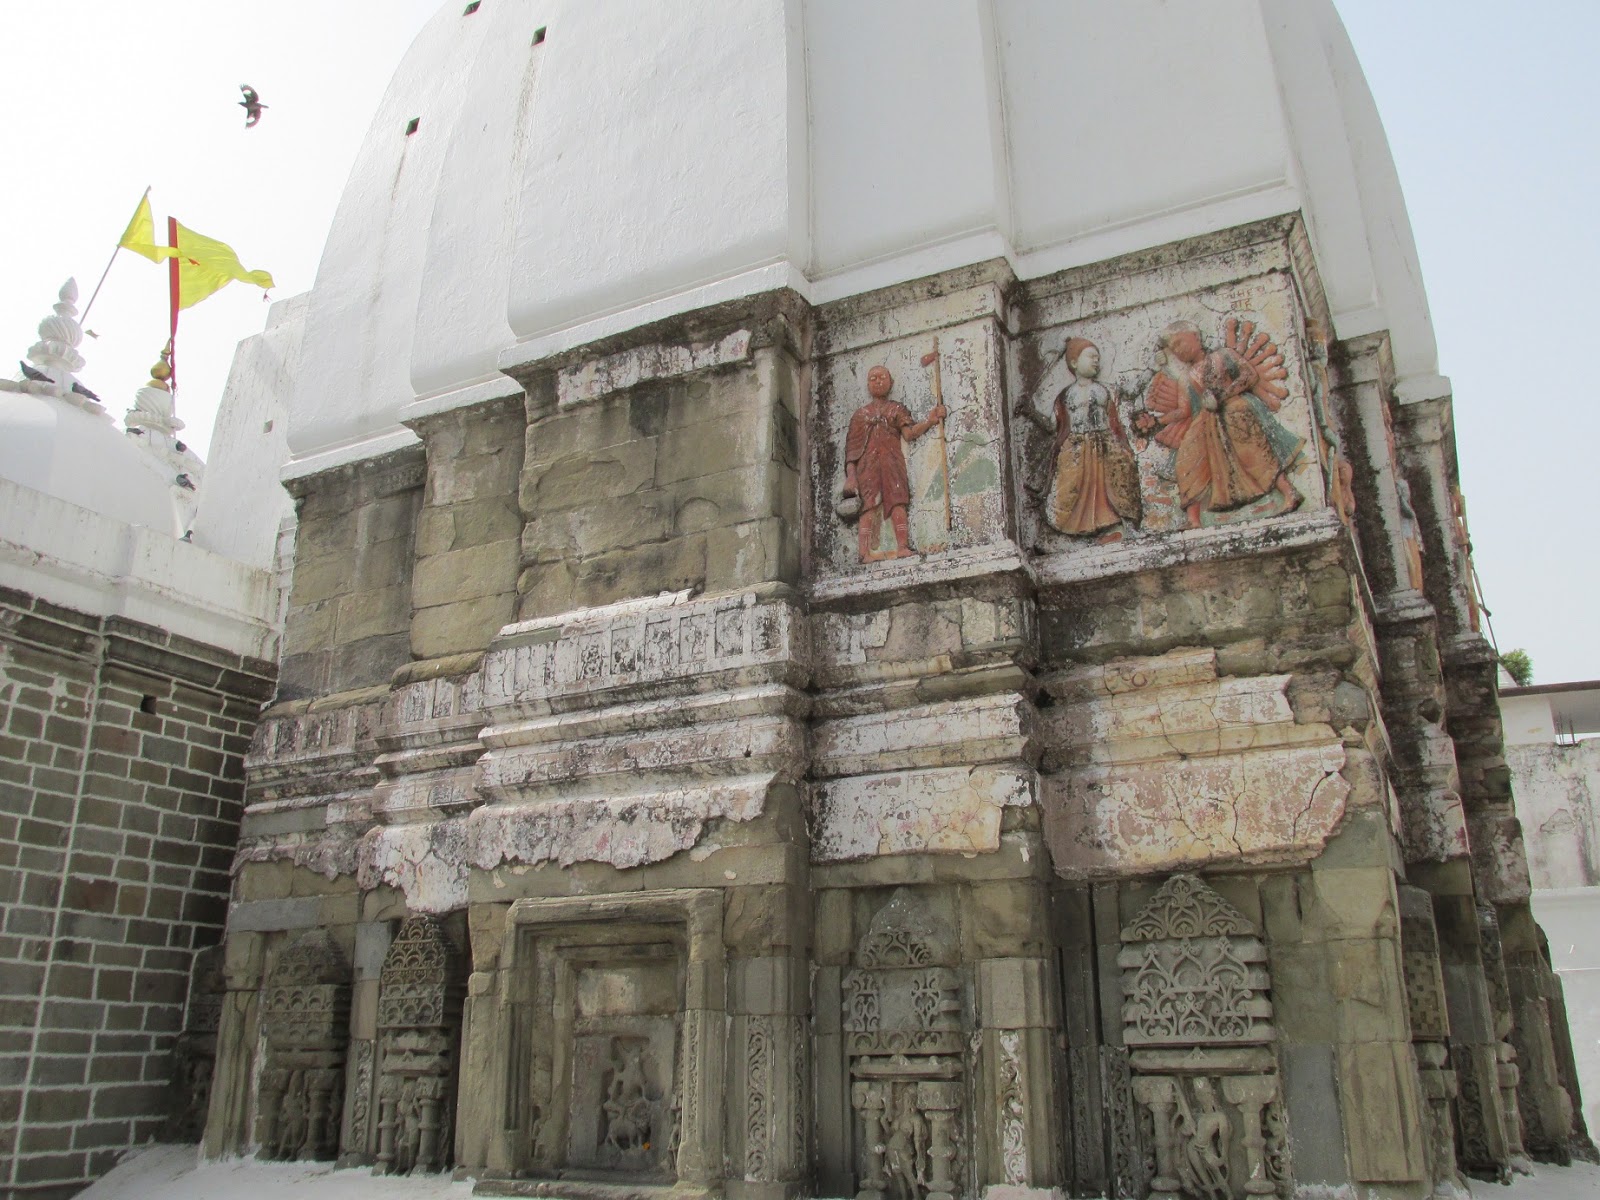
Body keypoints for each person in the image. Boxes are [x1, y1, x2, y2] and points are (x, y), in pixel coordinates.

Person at [1143, 319, 1304, 528]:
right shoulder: (1187, 377)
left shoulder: (1223, 356)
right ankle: (1192, 519)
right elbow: (1183, 410)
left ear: (1196, 337)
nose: (1178, 351)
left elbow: (1249, 375)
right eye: (1173, 349)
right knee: (1187, 459)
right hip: (1206, 421)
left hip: (1233, 407)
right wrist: (1156, 420)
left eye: (1180, 343)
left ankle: (1289, 492)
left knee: (1253, 451)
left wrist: (1223, 395)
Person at [1020, 338, 1142, 540]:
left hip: (1103, 445)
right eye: (1091, 357)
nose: (1096, 362)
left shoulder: (1103, 390)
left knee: (1113, 485)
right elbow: (1053, 425)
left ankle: (1113, 524)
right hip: (1075, 446)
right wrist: (1030, 412)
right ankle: (1067, 530)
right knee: (1069, 489)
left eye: (1098, 358)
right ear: (1074, 363)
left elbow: (1117, 418)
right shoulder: (1066, 395)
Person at [841, 365, 946, 562]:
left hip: (892, 463)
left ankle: (902, 547)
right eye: (873, 378)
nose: (878, 381)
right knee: (868, 506)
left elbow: (909, 434)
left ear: (891, 382)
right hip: (868, 466)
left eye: (882, 377)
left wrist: (930, 421)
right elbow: (852, 451)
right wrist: (851, 476)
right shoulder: (860, 415)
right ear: (867, 385)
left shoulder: (896, 409)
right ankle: (864, 553)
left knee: (898, 501)